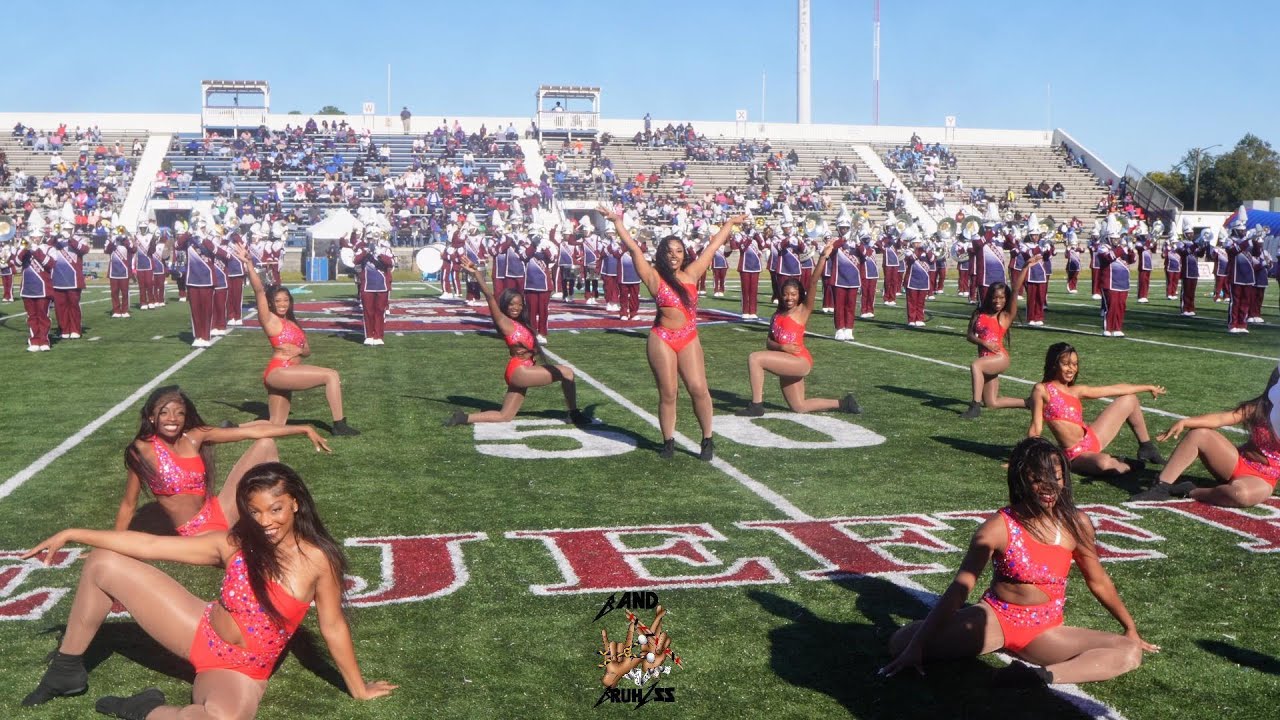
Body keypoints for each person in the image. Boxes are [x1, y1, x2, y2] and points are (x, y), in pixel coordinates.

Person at [22, 463, 396, 717]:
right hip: (196, 630)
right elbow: (150, 547)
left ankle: (144, 709)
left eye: (276, 509)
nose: (265, 521)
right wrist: (72, 532)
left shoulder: (318, 560)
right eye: (255, 511)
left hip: (241, 671)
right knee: (103, 561)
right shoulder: (234, 542)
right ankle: (66, 669)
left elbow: (332, 626)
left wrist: (358, 687)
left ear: (295, 504)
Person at [882, 437, 1158, 686]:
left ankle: (1038, 677)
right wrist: (917, 645)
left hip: (1045, 631)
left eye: (1058, 478)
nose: (1049, 488)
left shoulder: (1077, 523)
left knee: (1128, 652)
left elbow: (1097, 580)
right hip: (996, 620)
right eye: (1039, 480)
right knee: (902, 641)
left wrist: (1129, 628)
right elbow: (960, 588)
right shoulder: (996, 528)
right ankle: (936, 642)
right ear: (1021, 480)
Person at [600, 206, 748, 460]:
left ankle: (707, 439)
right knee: (668, 392)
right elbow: (634, 249)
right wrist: (617, 222)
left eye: (679, 251)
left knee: (699, 388)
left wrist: (730, 223)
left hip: (688, 336)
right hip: (662, 338)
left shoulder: (692, 274)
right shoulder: (653, 276)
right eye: (669, 252)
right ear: (661, 254)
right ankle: (668, 440)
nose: (674, 256)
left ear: (684, 255)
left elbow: (712, 247)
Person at [115, 386, 332, 536]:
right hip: (197, 533)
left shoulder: (194, 436)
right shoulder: (141, 450)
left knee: (266, 443)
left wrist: (302, 428)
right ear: (152, 416)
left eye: (179, 413)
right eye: (164, 413)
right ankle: (259, 525)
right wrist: (113, 546)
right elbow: (128, 503)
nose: (173, 419)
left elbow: (255, 432)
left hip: (219, 510)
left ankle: (270, 516)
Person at [443, 259, 588, 426]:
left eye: (519, 305)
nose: (515, 308)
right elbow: (490, 297)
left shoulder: (521, 323)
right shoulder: (504, 322)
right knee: (567, 373)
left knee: (505, 416)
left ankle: (464, 417)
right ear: (505, 305)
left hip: (520, 370)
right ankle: (574, 414)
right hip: (520, 370)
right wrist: (476, 273)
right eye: (511, 304)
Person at [234, 245, 359, 435]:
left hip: (287, 372)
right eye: (278, 301)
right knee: (331, 375)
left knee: (277, 424)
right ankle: (339, 424)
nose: (282, 304)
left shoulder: (293, 324)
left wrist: (300, 351)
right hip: (279, 371)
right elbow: (259, 291)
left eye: (285, 300)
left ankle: (230, 428)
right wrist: (249, 264)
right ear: (271, 303)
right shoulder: (270, 320)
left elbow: (307, 351)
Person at [737, 244, 860, 416]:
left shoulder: (802, 310)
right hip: (785, 358)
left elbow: (813, 282)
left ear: (799, 295)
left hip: (799, 361)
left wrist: (823, 257)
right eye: (786, 294)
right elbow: (769, 342)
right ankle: (843, 403)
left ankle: (756, 405)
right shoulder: (777, 315)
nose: (789, 298)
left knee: (755, 358)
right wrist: (781, 347)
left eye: (793, 294)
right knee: (799, 406)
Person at [1131, 367, 1279, 506]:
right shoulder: (1261, 406)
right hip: (1235, 462)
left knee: (1240, 495)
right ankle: (1161, 487)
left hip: (1262, 479)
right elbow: (1221, 419)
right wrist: (1186, 421)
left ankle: (1191, 491)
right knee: (1199, 434)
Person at [1028, 342, 1166, 475]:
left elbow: (1114, 389)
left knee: (1130, 399)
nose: (1072, 369)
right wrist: (1027, 459)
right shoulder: (1042, 390)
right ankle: (1128, 464)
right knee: (1104, 464)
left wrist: (1148, 387)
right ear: (1054, 365)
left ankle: (1147, 447)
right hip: (1075, 454)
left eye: (1075, 364)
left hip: (1093, 438)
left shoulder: (1076, 390)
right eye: (1065, 364)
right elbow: (1035, 429)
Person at [959, 262, 1032, 419]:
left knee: (975, 365)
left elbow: (1014, 292)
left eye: (1002, 298)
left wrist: (1025, 268)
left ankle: (974, 406)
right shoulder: (979, 313)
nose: (998, 301)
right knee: (992, 402)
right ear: (989, 297)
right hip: (987, 359)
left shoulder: (1004, 317)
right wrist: (983, 343)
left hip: (999, 357)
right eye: (994, 297)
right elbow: (969, 336)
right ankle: (1029, 402)